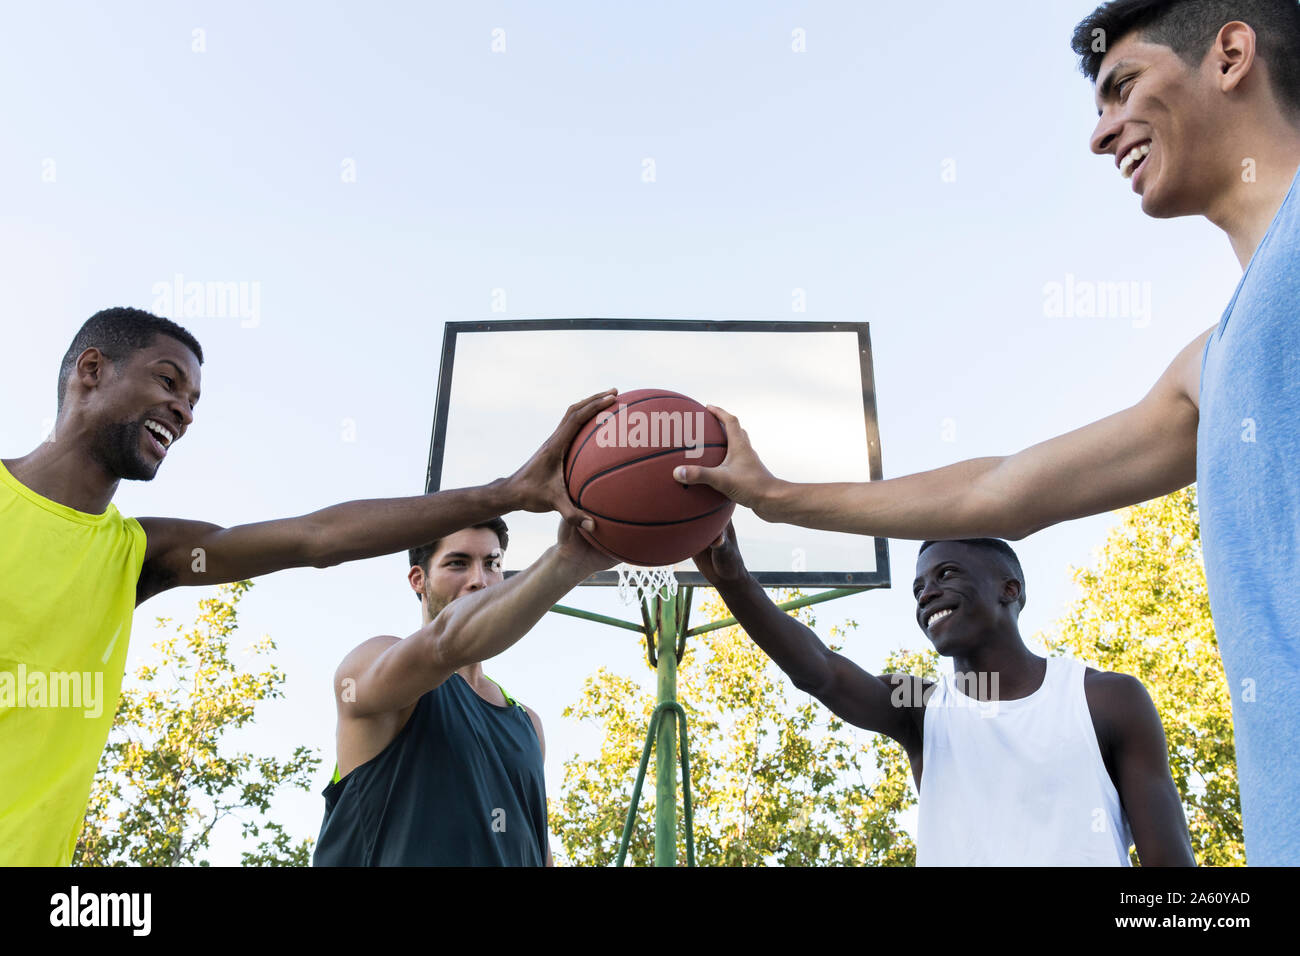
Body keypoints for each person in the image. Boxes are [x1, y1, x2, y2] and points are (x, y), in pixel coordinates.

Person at [675, 0, 1300, 865]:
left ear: (1231, 54)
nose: (1100, 134)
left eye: (1121, 88)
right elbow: (995, 490)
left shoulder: (1103, 701)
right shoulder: (1209, 370)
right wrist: (773, 502)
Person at [0, 306, 616, 866]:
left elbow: (315, 538)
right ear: (91, 370)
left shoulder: (140, 553)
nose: (185, 412)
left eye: (194, 400)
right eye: (168, 382)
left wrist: (509, 491)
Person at [693, 524, 1195, 865]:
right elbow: (820, 671)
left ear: (1009, 588)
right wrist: (733, 580)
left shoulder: (1105, 699)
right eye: (918, 589)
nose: (926, 592)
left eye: (946, 574)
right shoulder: (921, 705)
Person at [313, 517, 612, 865]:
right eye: (458, 563)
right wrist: (567, 562)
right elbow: (444, 643)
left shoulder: (528, 724)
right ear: (418, 580)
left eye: (492, 564)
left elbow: (537, 852)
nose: (479, 580)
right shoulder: (370, 664)